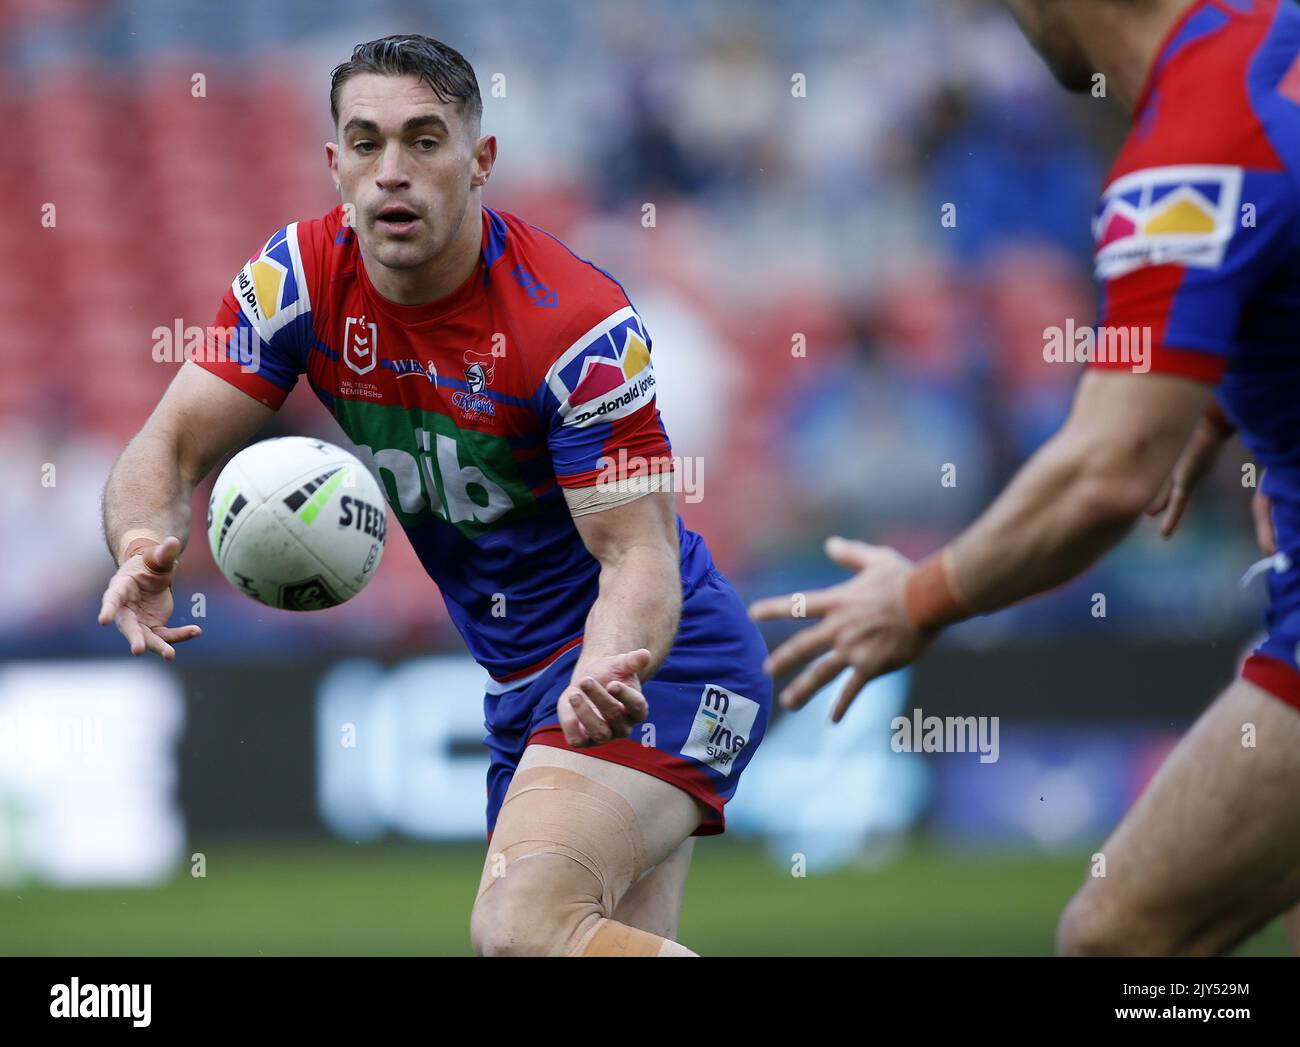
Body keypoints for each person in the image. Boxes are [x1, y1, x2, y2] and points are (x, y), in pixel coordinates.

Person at [97, 34, 770, 957]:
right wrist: (140, 540)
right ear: (334, 165)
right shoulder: (295, 282)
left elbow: (638, 553)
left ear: (480, 160)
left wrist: (607, 670)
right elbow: (166, 446)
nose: (392, 173)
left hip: (659, 664)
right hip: (523, 682)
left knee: (519, 928)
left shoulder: (577, 324)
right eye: (366, 144)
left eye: (424, 140)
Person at [751, 0, 1300, 955]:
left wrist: (917, 598)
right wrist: (1239, 397)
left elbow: (1104, 473)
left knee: (1120, 941)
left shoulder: (1195, 144)